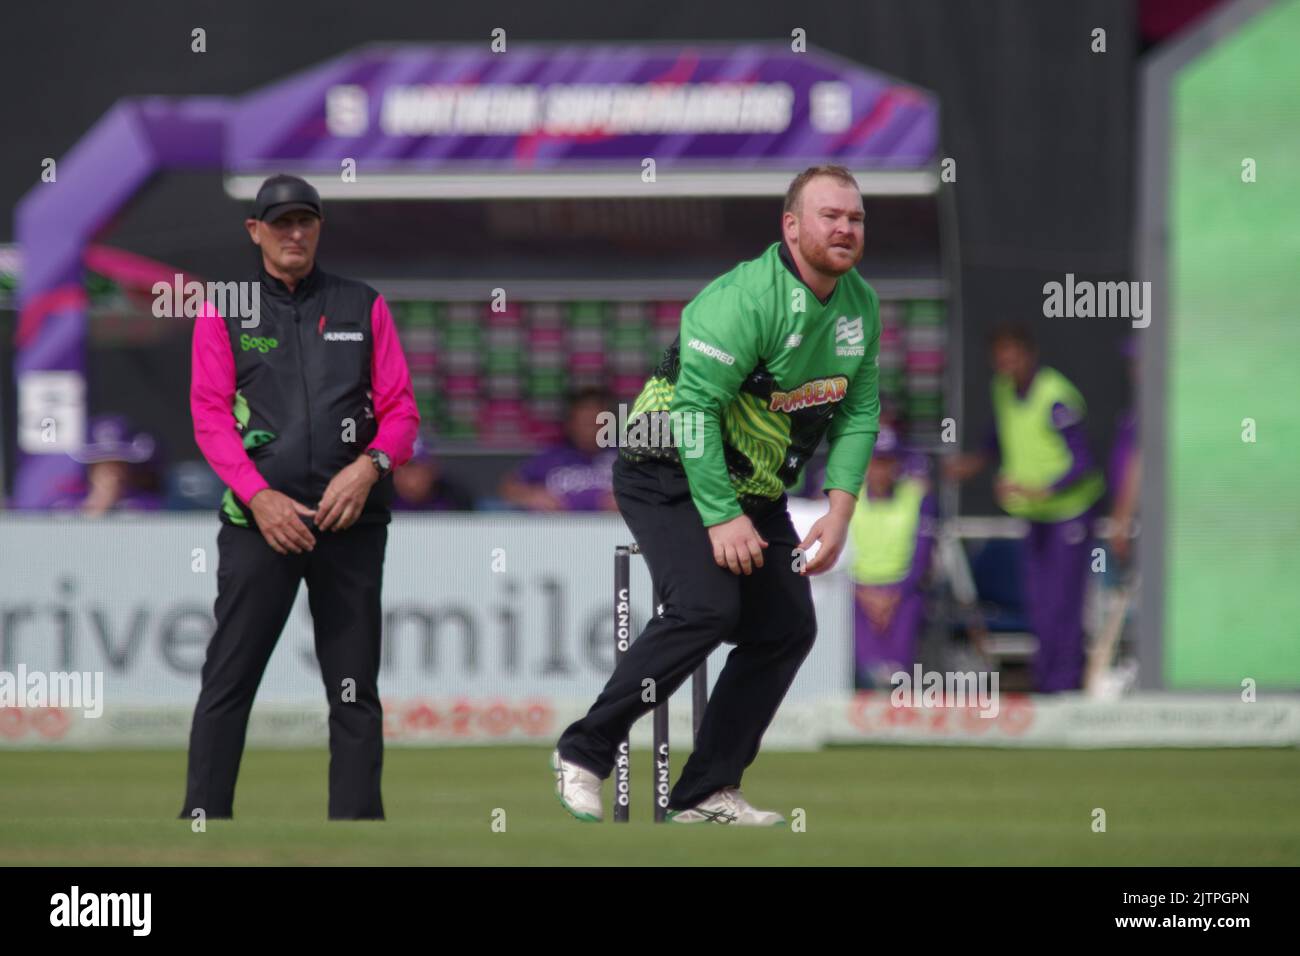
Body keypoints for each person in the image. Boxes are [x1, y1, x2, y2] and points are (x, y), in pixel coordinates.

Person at [552, 164, 881, 825]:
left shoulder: (859, 306)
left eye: (855, 218)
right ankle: (584, 751)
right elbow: (696, 411)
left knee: (786, 628)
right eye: (830, 215)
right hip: (667, 465)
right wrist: (722, 516)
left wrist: (841, 509)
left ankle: (704, 793)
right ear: (791, 226)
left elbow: (859, 409)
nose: (845, 228)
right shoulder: (744, 299)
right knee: (705, 608)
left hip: (754, 488)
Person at [180, 174, 418, 820]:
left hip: (351, 524)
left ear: (318, 227)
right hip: (261, 525)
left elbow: (401, 414)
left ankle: (357, 829)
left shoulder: (361, 304)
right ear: (255, 230)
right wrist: (260, 497)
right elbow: (209, 418)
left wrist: (369, 466)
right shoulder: (225, 307)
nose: (294, 233)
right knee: (229, 680)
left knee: (353, 689)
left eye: (305, 221)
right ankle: (202, 821)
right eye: (280, 222)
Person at [944, 324, 1105, 692]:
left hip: (1070, 514)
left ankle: (1063, 687)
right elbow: (1001, 434)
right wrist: (977, 462)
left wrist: (1040, 489)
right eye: (1000, 357)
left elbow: (1083, 462)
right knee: (1038, 603)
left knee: (1064, 605)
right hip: (1037, 517)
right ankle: (1046, 686)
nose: (1006, 363)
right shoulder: (1002, 389)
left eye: (1013, 355)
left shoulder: (1055, 397)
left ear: (1029, 355)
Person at [847, 424, 937, 688]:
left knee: (898, 674)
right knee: (865, 673)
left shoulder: (917, 497)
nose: (880, 471)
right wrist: (863, 594)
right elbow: (836, 554)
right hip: (858, 596)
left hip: (903, 594)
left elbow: (922, 555)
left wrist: (894, 596)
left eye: (887, 462)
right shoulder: (848, 499)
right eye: (875, 462)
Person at [499, 387, 618, 512]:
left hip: (614, 530)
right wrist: (532, 496)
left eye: (596, 423)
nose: (590, 430)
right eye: (585, 423)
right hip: (558, 529)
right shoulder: (551, 457)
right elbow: (508, 487)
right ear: (570, 424)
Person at [56, 414, 164, 515]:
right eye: (102, 464)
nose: (113, 473)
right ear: (91, 469)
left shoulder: (148, 508)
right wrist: (100, 503)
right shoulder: (63, 508)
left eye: (119, 463)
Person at [392, 437, 474, 511]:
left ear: (431, 469)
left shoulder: (454, 497)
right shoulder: (384, 500)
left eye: (411, 467)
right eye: (396, 468)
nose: (402, 476)